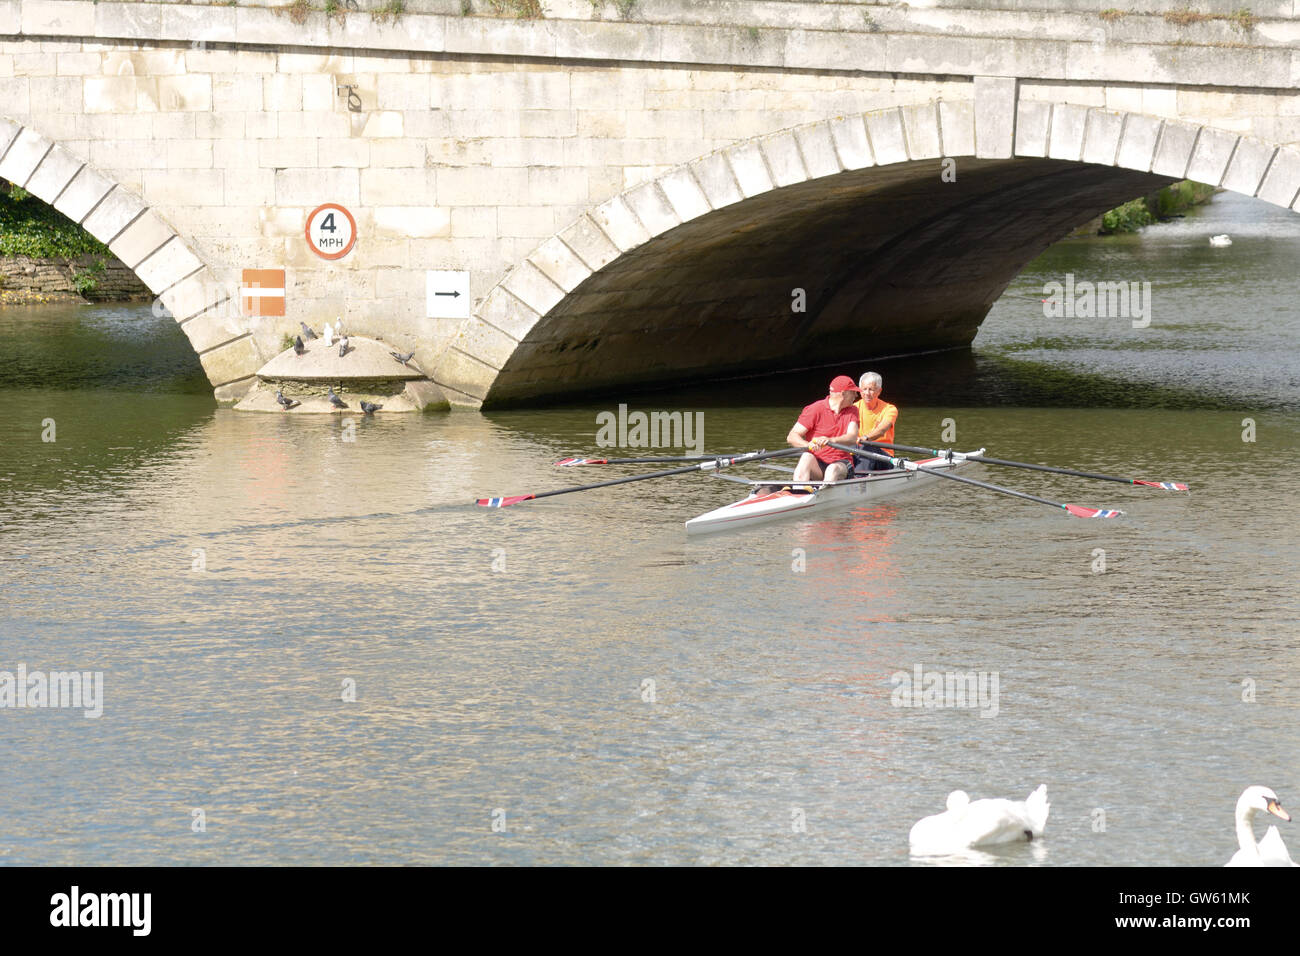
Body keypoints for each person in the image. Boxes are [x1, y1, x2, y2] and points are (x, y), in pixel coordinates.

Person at [785, 375, 861, 489]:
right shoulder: (815, 409)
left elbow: (852, 437)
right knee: (806, 456)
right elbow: (792, 437)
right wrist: (808, 445)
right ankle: (798, 491)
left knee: (832, 469)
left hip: (842, 464)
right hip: (818, 464)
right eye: (853, 392)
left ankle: (820, 496)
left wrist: (831, 440)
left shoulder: (853, 410)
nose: (856, 395)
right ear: (844, 393)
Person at [852, 371, 899, 474]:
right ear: (860, 390)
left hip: (884, 457)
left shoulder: (889, 409)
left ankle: (859, 480)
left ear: (879, 391)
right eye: (864, 389)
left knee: (867, 446)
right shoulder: (853, 408)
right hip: (859, 451)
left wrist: (866, 438)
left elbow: (882, 430)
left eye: (871, 389)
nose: (867, 393)